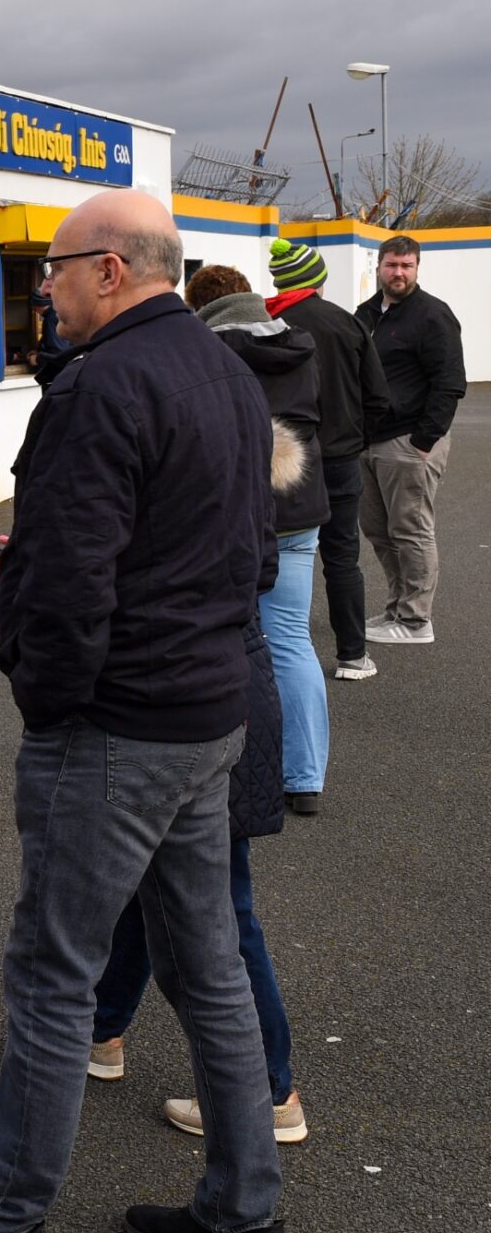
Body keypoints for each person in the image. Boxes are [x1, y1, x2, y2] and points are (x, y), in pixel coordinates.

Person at [0, 191, 296, 1233]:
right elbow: (251, 554)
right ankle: (243, 1214)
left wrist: (51, 701)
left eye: (51, 269)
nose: (40, 288)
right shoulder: (222, 374)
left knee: (52, 973)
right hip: (206, 713)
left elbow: (62, 586)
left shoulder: (96, 388)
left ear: (109, 269)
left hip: (116, 727)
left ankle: (2, 1220)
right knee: (205, 968)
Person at [91, 616, 310, 1147]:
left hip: (185, 698)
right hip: (222, 683)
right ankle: (99, 1031)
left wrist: (51, 577)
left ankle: (269, 1089)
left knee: (221, 913)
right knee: (154, 884)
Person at [190, 265, 330, 816]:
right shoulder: (302, 344)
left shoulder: (209, 352)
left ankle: (238, 772)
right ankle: (305, 776)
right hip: (301, 501)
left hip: (237, 509)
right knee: (292, 639)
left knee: (235, 640)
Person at [265, 238, 391, 681]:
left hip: (284, 460)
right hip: (339, 459)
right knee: (341, 557)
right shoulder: (348, 323)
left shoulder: (267, 323)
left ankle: (274, 653)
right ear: (318, 280)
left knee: (276, 552)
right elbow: (378, 397)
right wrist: (357, 438)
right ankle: (352, 656)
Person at [354, 235, 465, 645]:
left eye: (406, 266)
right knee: (379, 530)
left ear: (417, 268)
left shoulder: (433, 315)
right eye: (392, 265)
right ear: (378, 267)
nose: (398, 273)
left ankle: (417, 621)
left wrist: (424, 440)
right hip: (371, 441)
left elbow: (450, 382)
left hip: (409, 442)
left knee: (412, 530)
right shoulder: (366, 313)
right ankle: (397, 608)